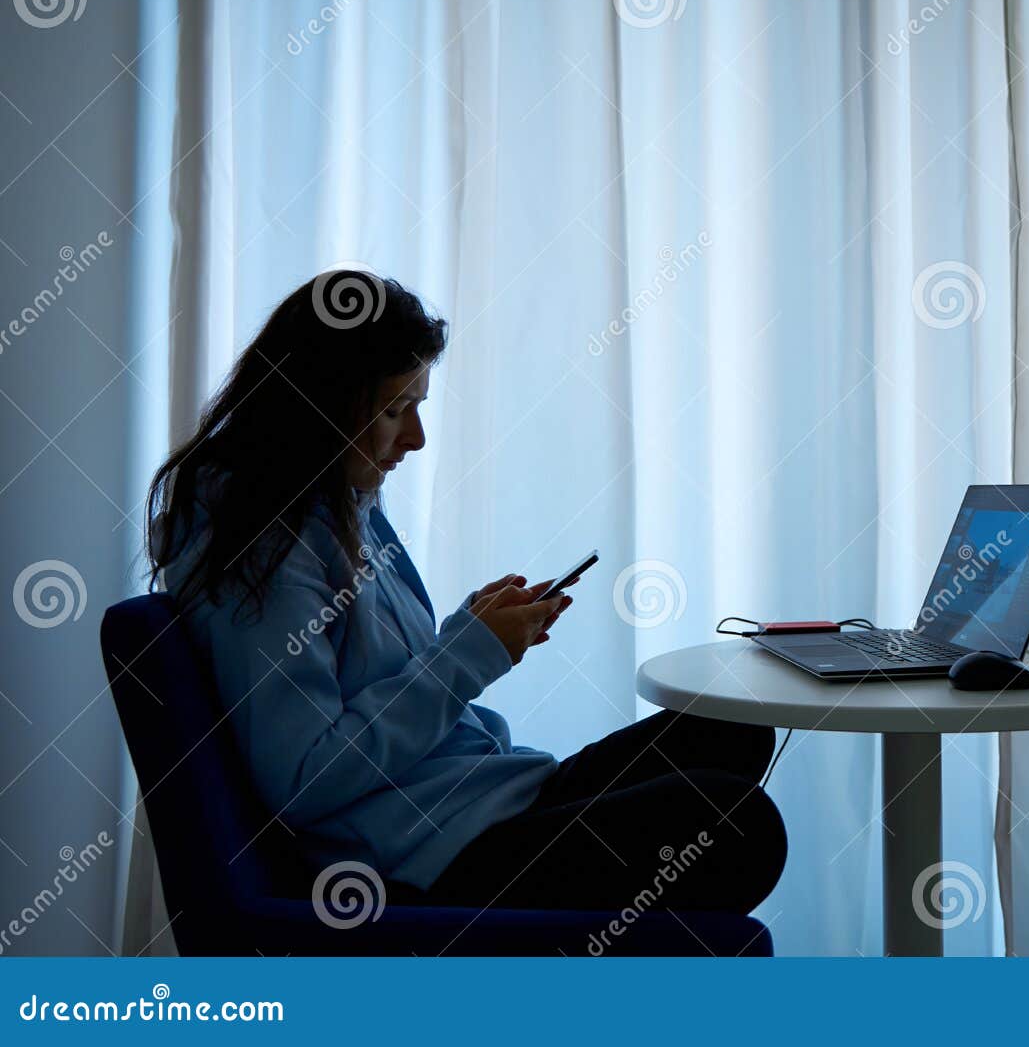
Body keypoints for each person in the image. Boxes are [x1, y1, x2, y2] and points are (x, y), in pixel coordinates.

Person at [145, 270, 786, 921]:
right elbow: (307, 776)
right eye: (395, 409)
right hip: (444, 859)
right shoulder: (266, 551)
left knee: (733, 732)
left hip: (487, 797)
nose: (416, 437)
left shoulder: (342, 500)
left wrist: (471, 629)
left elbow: (388, 676)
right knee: (742, 825)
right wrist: (469, 654)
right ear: (319, 404)